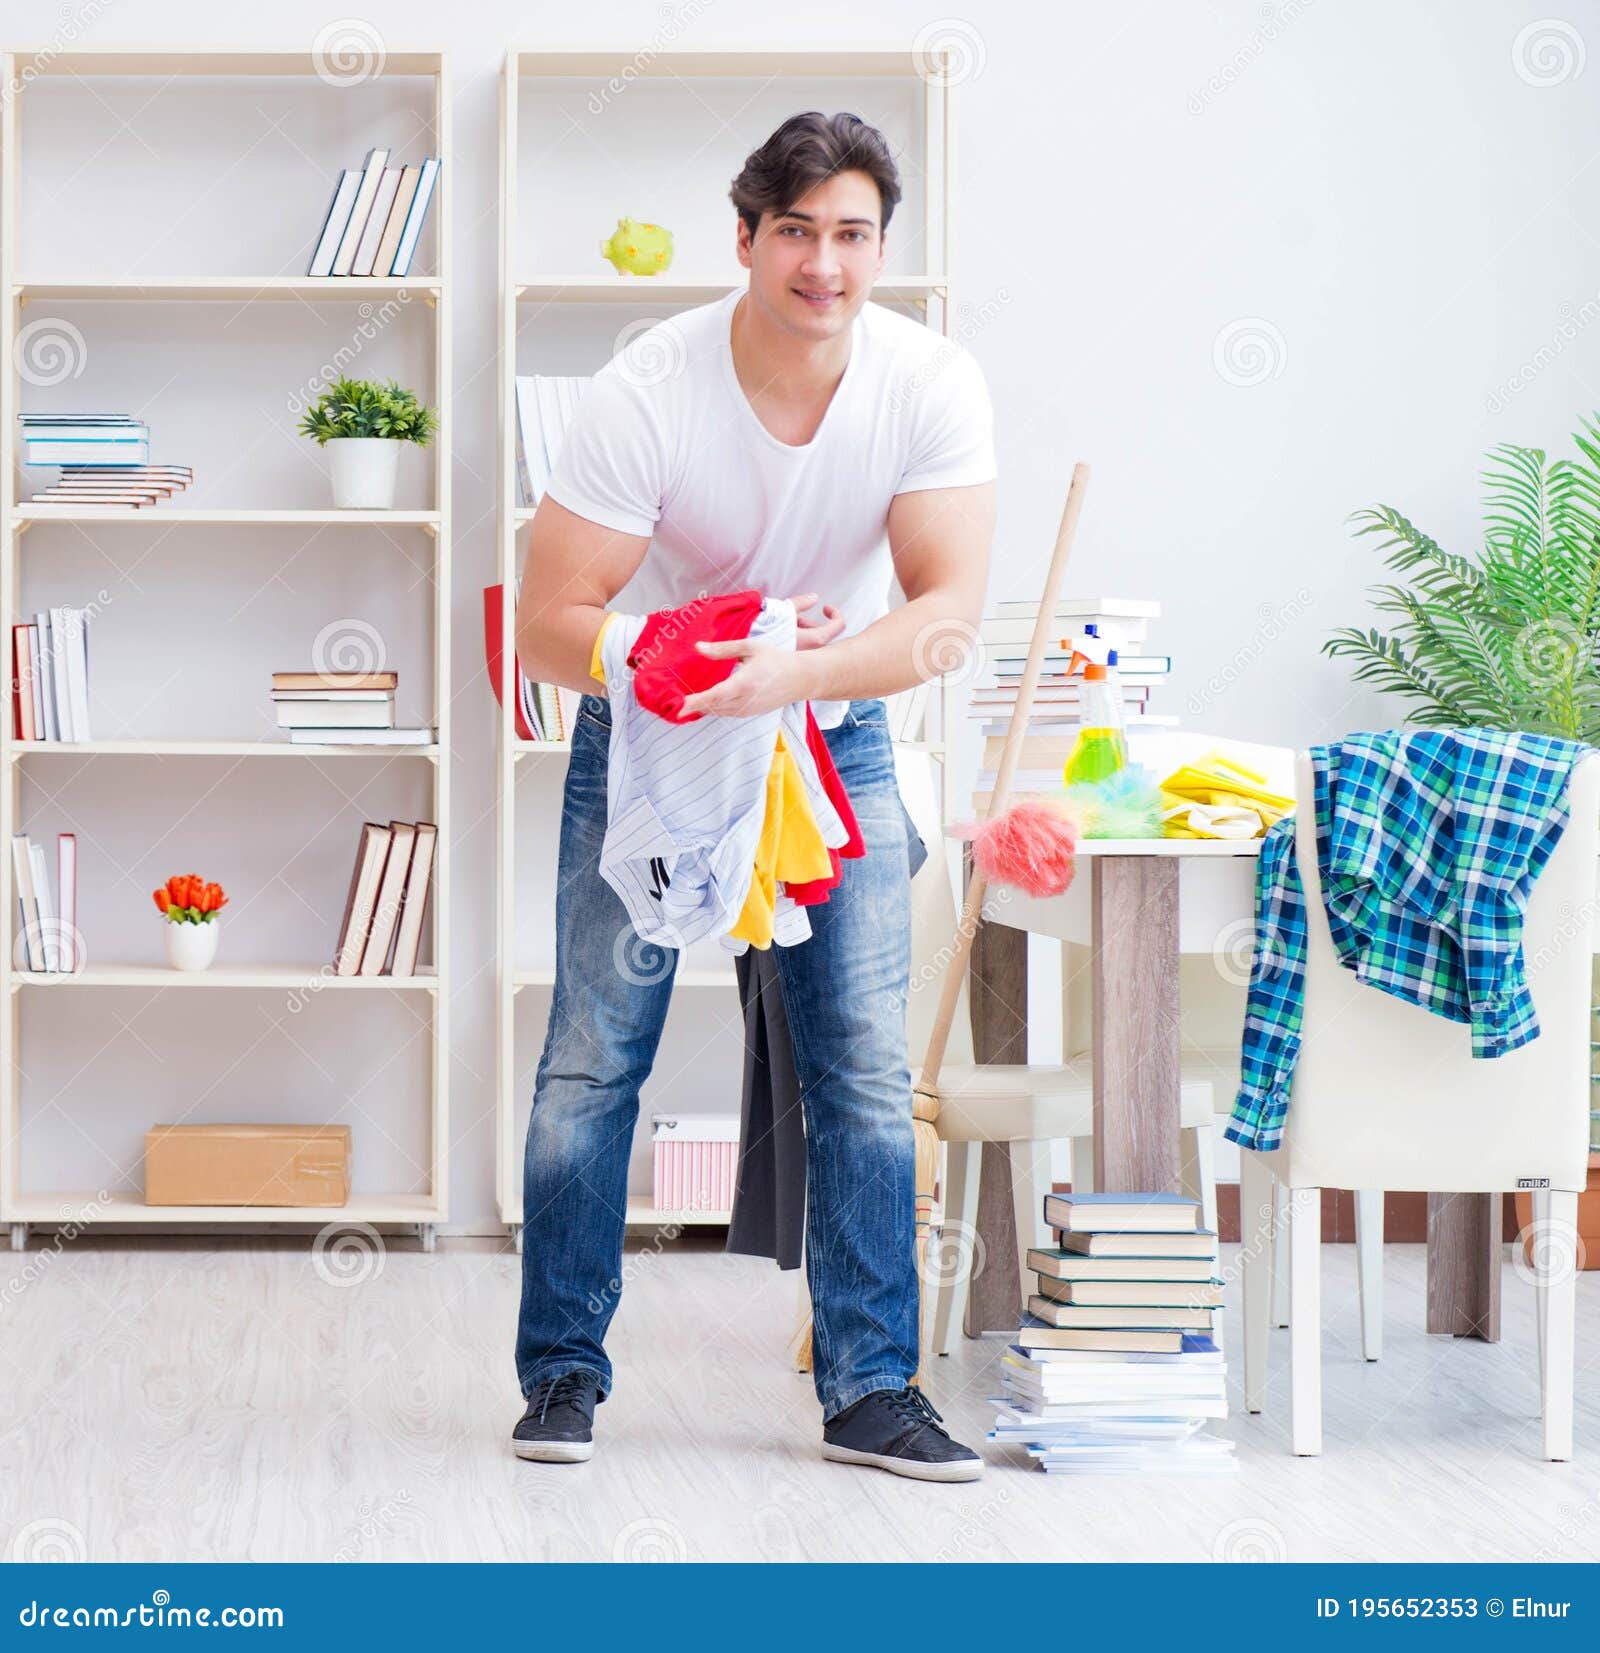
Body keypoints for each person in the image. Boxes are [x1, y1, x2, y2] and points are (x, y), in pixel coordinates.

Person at [511, 109, 997, 1482]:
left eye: (851, 234)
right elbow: (547, 626)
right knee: (595, 1057)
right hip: (651, 740)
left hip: (832, 734)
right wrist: (670, 651)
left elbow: (947, 617)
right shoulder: (649, 390)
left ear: (882, 247)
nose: (823, 264)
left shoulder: (929, 382)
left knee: (861, 1066)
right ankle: (561, 1373)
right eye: (795, 231)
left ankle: (872, 1391)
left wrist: (800, 673)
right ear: (745, 238)